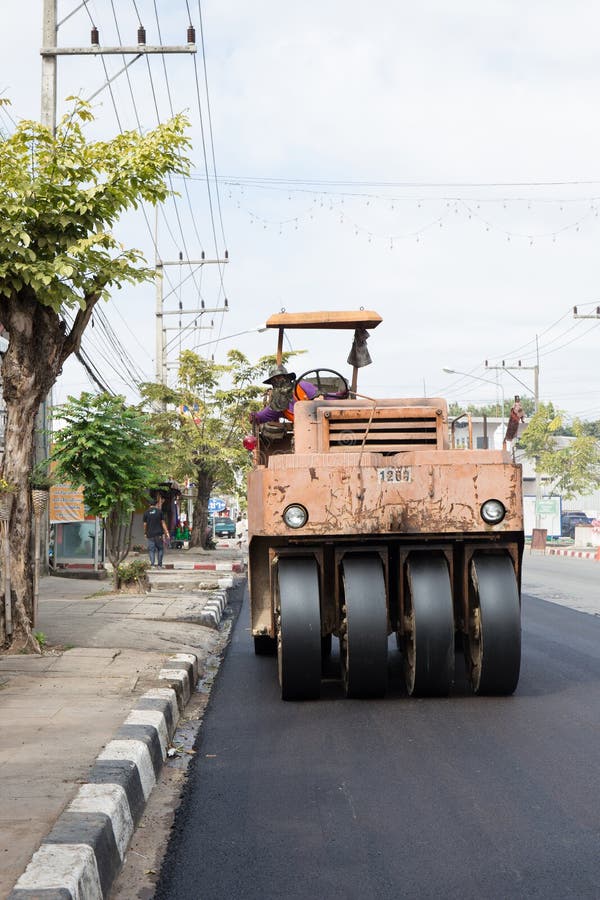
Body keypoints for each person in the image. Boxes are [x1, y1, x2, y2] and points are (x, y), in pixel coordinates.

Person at [250, 365, 318, 425]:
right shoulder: (278, 404)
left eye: (279, 377)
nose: (277, 381)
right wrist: (255, 416)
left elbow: (321, 397)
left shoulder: (301, 386)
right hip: (305, 432)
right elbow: (263, 416)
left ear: (287, 377)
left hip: (322, 422)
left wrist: (319, 399)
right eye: (274, 380)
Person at [143, 495, 170, 567]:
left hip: (150, 534)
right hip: (159, 534)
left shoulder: (146, 513)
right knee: (160, 549)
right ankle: (159, 565)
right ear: (156, 504)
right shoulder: (159, 512)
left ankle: (152, 565)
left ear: (149, 504)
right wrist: (167, 532)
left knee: (151, 550)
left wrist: (145, 532)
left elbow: (145, 525)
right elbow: (163, 523)